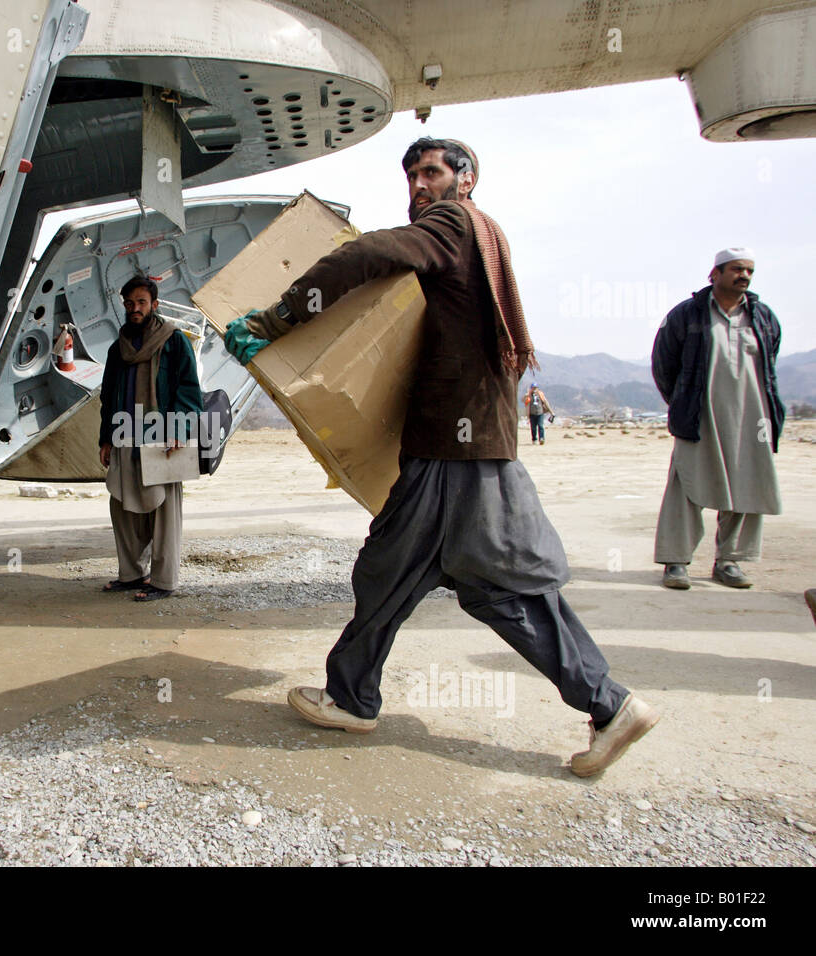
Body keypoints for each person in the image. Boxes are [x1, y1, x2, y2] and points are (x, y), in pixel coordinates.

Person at [224, 136, 657, 777]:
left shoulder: (451, 223)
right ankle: (603, 703)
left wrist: (276, 319)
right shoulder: (487, 236)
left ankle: (355, 697)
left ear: (467, 179)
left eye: (431, 172)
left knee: (410, 577)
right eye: (411, 176)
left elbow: (366, 253)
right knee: (474, 588)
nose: (419, 186)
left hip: (452, 457)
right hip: (471, 447)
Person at [652, 249, 783, 590]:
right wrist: (682, 403)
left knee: (749, 485)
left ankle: (730, 562)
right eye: (737, 269)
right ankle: (676, 562)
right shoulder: (687, 314)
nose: (745, 275)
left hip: (753, 419)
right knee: (686, 485)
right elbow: (664, 365)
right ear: (715, 273)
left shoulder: (764, 317)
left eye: (750, 270)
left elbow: (769, 365)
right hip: (702, 416)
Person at [98, 276, 202, 601]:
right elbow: (108, 396)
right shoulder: (119, 348)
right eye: (130, 303)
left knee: (164, 511)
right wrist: (105, 438)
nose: (135, 309)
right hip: (125, 432)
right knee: (123, 506)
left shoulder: (173, 341)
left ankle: (163, 581)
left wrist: (180, 429)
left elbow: (188, 388)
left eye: (141, 302)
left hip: (161, 435)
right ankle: (130, 574)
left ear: (154, 305)